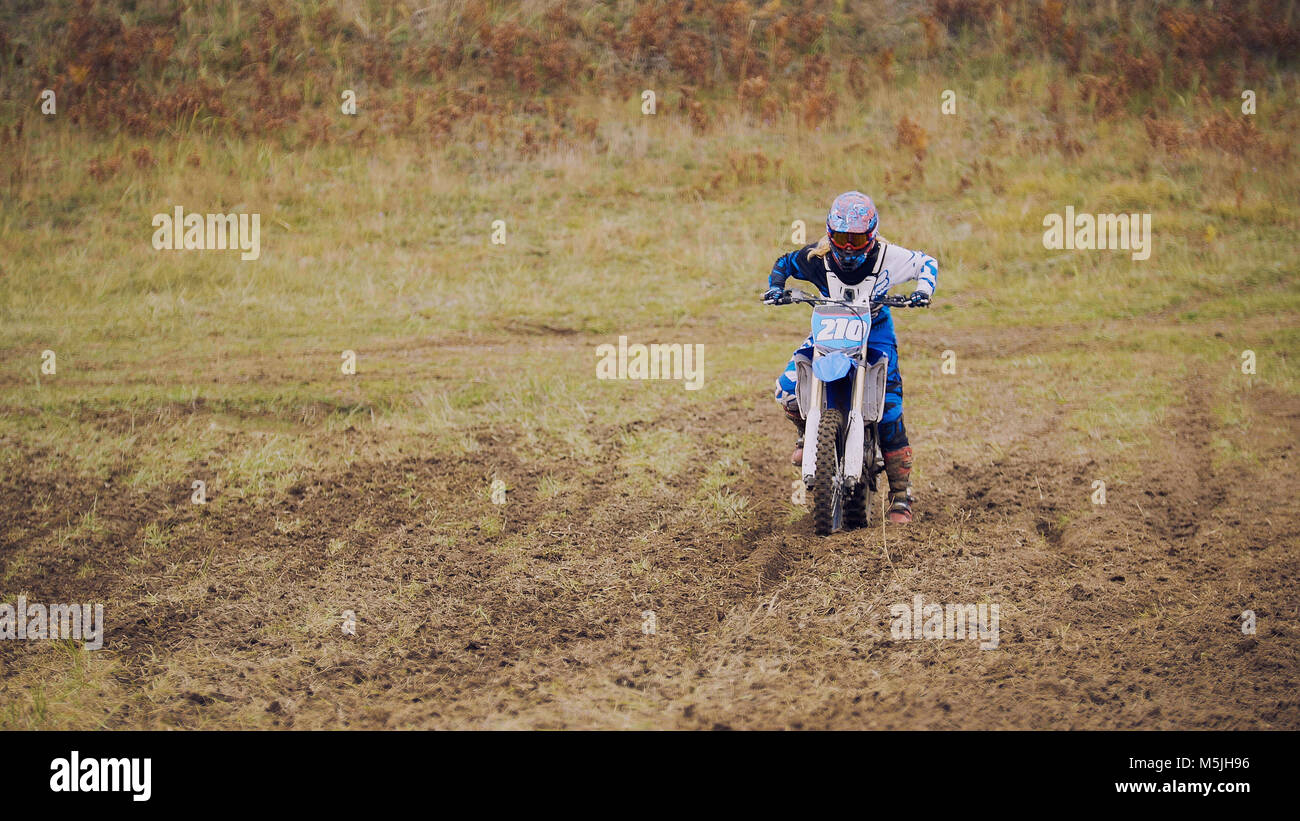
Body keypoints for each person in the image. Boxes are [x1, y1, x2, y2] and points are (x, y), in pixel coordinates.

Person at [763, 191, 937, 523]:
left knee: (888, 409)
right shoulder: (818, 257)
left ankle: (902, 496)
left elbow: (926, 263)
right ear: (830, 233)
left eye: (856, 238)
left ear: (871, 235)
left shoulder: (889, 257)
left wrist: (922, 291)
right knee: (787, 388)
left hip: (876, 333)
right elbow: (784, 263)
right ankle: (805, 428)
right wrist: (776, 287)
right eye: (842, 237)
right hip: (829, 329)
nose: (848, 246)